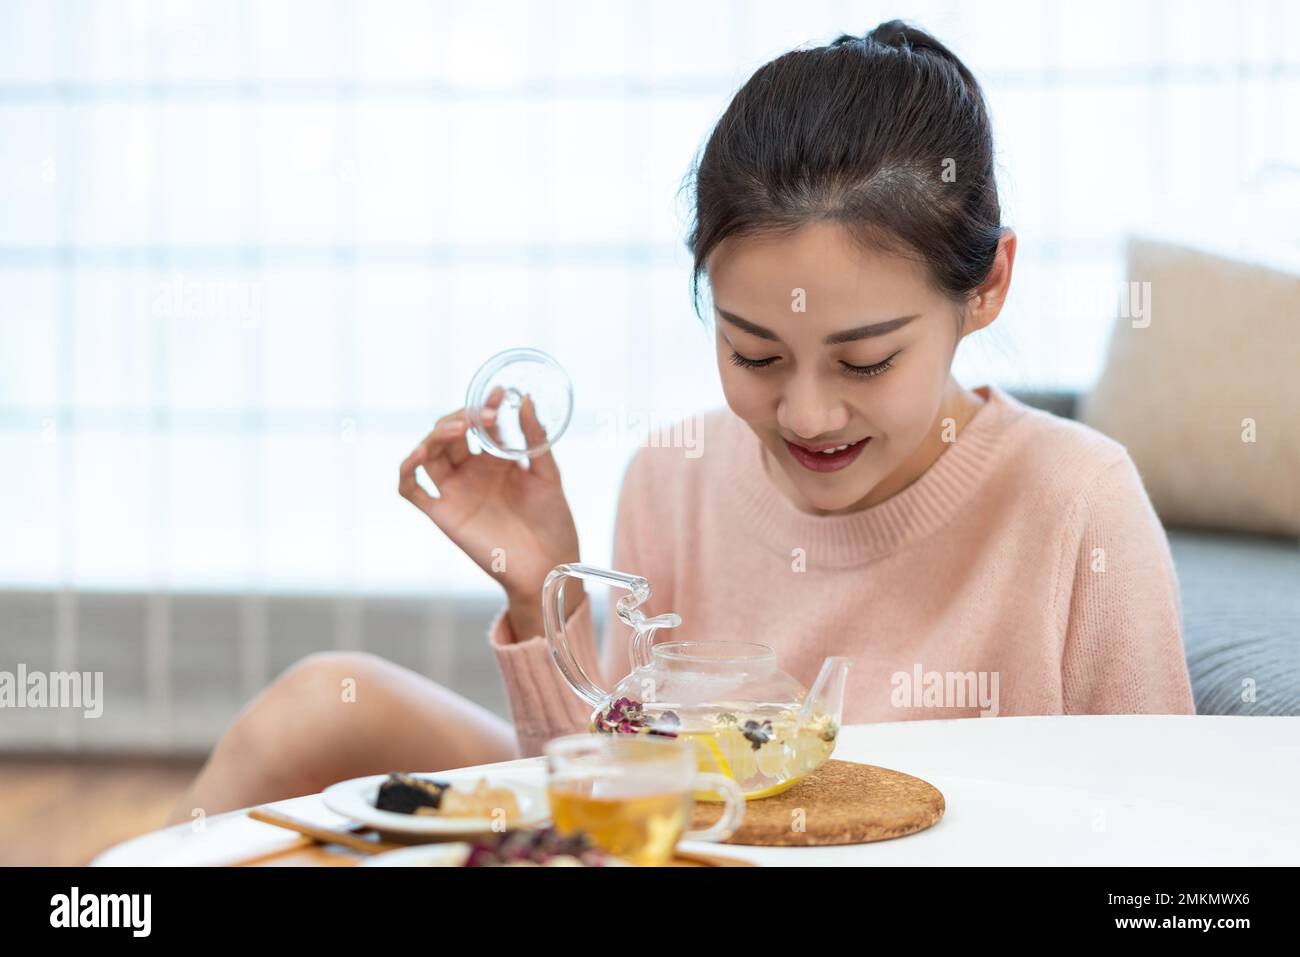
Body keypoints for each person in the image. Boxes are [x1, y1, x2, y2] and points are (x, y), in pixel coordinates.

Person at [166, 20, 1194, 824]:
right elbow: (608, 800)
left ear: (988, 286)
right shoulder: (674, 474)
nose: (802, 412)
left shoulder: (1076, 504)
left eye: (867, 359)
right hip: (693, 836)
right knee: (323, 697)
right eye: (752, 353)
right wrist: (544, 596)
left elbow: (1170, 839)